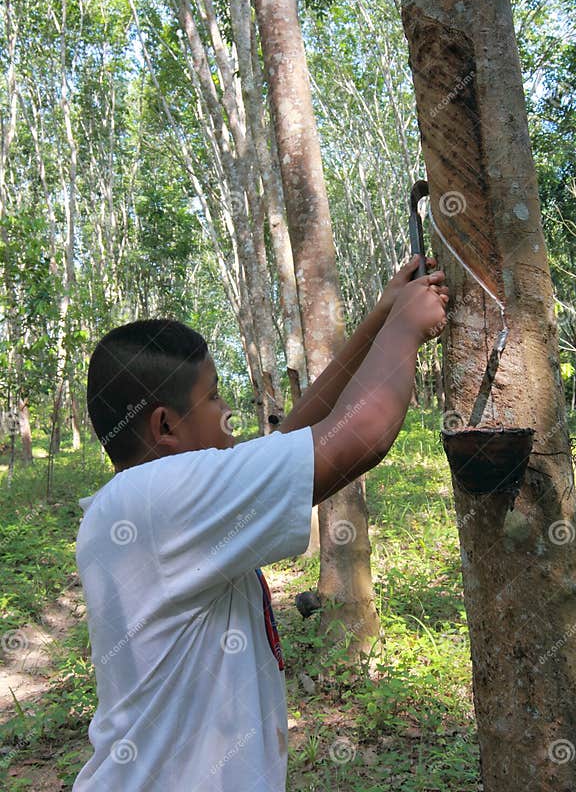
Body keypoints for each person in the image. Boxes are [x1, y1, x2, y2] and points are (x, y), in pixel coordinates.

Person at [73, 256, 448, 791]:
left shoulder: (145, 500)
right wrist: (408, 327)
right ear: (165, 425)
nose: (227, 412)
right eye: (213, 396)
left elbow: (293, 439)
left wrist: (381, 318)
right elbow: (362, 431)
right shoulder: (155, 498)